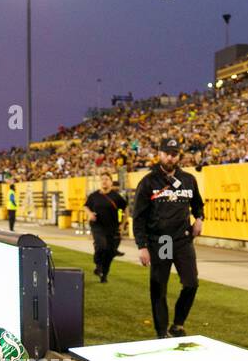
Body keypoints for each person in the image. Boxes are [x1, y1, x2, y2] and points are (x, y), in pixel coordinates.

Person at [131, 137, 204, 337]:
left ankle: (178, 324)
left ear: (179, 155)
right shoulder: (148, 182)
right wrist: (142, 246)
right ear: (159, 154)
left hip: (182, 239)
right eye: (167, 153)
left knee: (191, 283)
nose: (171, 158)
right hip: (161, 241)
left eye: (174, 154)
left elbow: (198, 204)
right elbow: (138, 217)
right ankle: (161, 332)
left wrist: (199, 218)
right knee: (159, 287)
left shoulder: (188, 179)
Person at [84, 172, 126, 283]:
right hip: (97, 226)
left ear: (111, 182)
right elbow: (86, 206)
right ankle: (98, 265)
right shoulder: (94, 196)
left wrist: (122, 225)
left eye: (106, 179)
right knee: (101, 245)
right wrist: (90, 214)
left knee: (110, 253)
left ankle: (104, 274)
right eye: (102, 179)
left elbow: (125, 210)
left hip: (113, 228)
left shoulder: (117, 197)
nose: (104, 181)